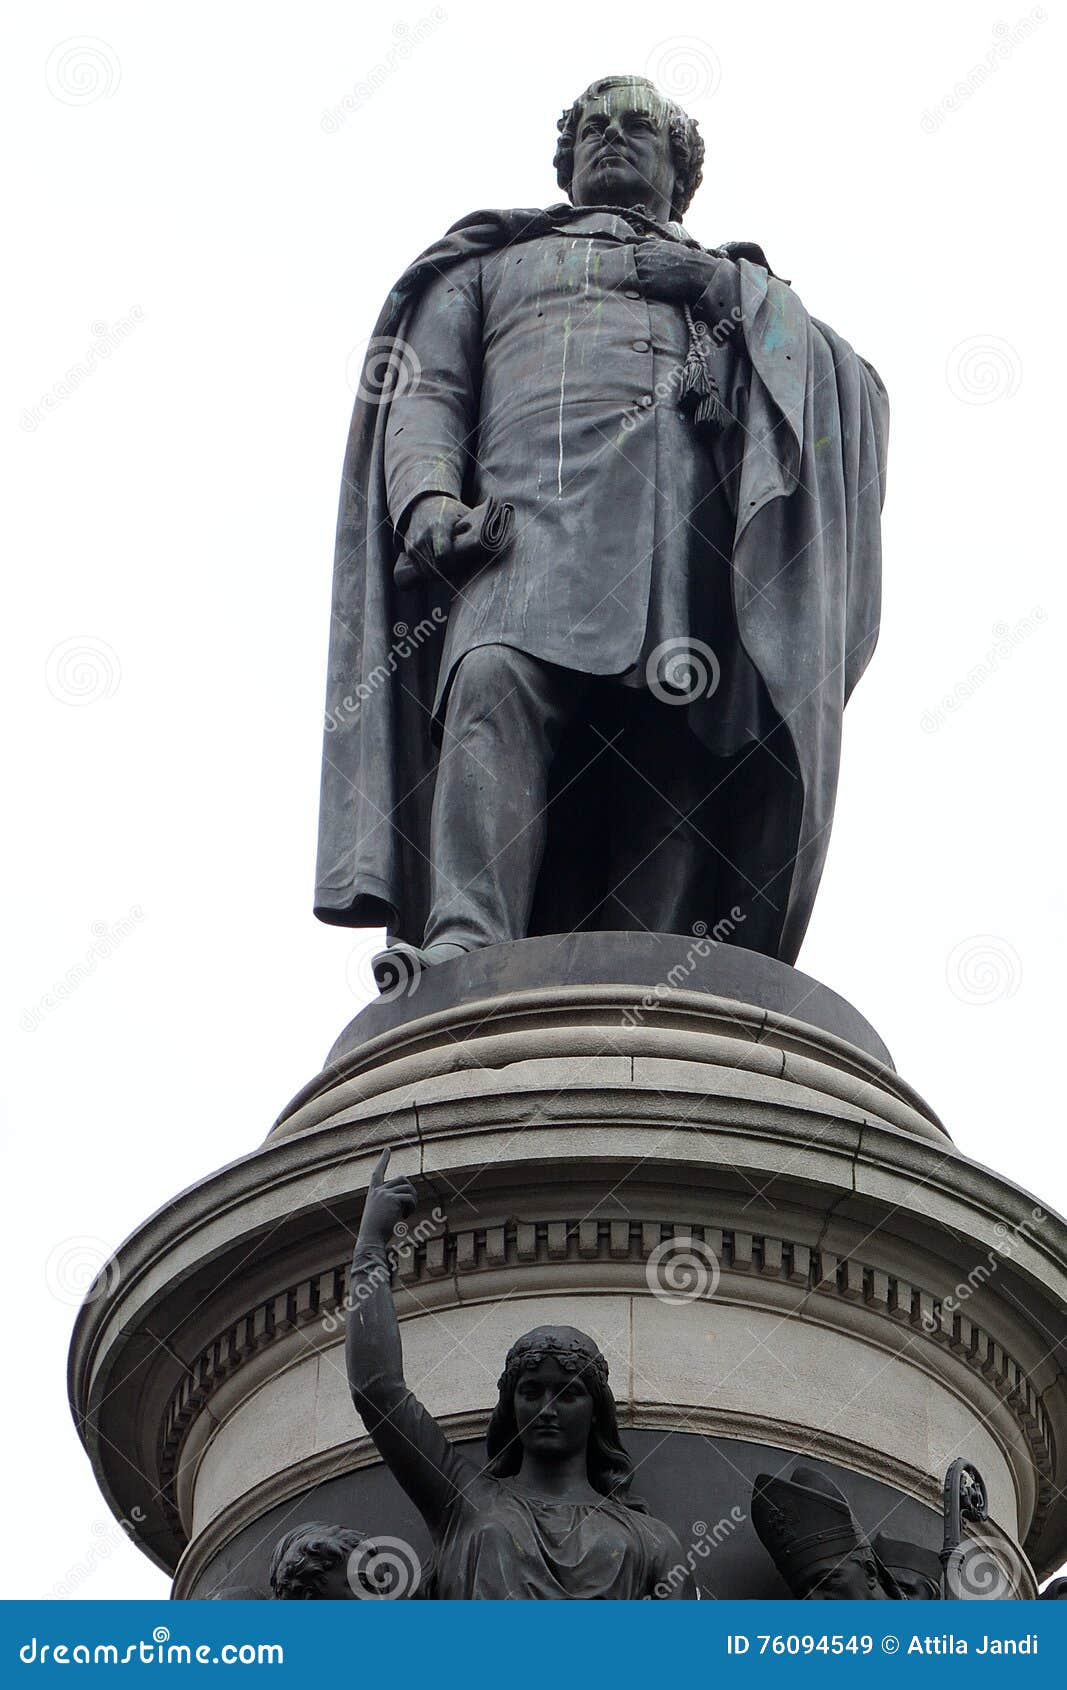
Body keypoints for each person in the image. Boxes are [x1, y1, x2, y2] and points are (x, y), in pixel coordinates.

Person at [316, 74, 888, 983]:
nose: (611, 138)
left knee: (671, 748)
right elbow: (425, 393)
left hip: (689, 552)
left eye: (637, 128)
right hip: (523, 538)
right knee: (491, 687)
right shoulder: (486, 265)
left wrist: (721, 290)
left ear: (678, 169)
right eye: (593, 126)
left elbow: (841, 393)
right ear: (566, 156)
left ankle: (643, 963)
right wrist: (426, 503)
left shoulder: (731, 285)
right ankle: (470, 937)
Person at [345, 1150, 693, 1598]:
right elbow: (378, 1391)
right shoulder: (467, 1502)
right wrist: (370, 1249)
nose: (547, 1409)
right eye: (531, 1392)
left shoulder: (651, 1542)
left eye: (567, 1395)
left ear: (595, 1412)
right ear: (510, 1405)